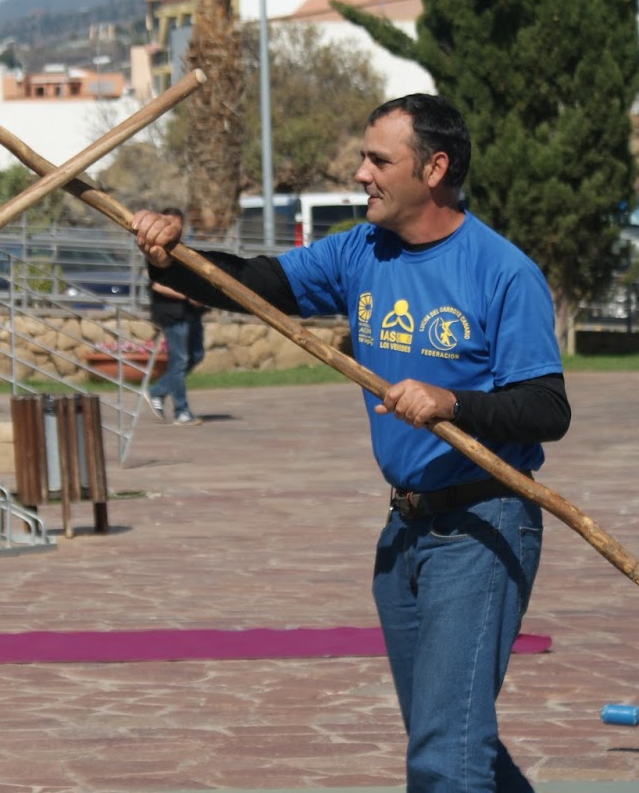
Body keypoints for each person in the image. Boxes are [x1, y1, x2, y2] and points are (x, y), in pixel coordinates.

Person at [130, 93, 568, 792]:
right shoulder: (361, 250)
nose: (360, 172)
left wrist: (452, 401)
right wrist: (175, 255)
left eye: (378, 159)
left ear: (435, 168)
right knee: (451, 734)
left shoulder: (501, 271)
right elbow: (256, 284)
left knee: (445, 755)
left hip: (483, 528)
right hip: (406, 532)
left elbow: (547, 407)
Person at [145, 207, 206, 426]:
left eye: (176, 224)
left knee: (196, 355)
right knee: (179, 361)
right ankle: (182, 411)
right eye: (167, 223)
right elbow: (158, 285)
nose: (172, 228)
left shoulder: (185, 251)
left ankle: (158, 391)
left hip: (191, 313)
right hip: (172, 313)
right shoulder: (156, 252)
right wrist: (187, 295)